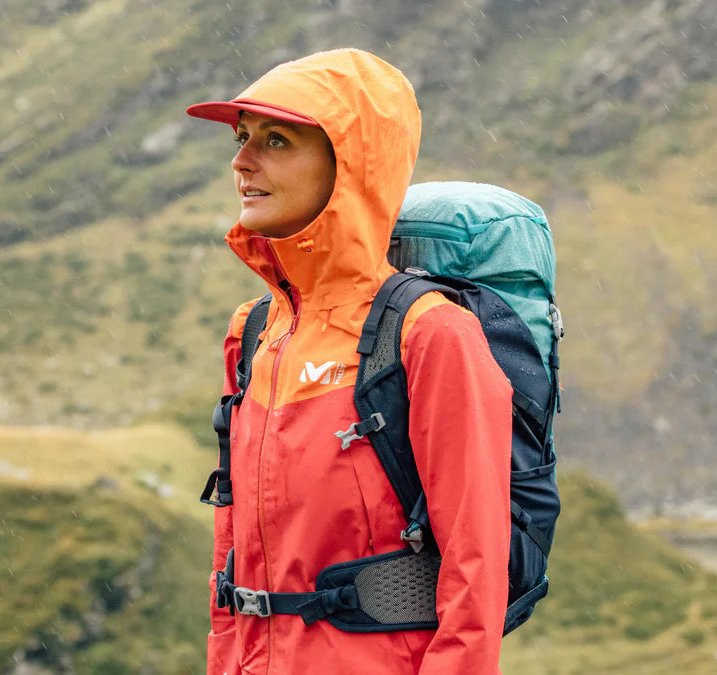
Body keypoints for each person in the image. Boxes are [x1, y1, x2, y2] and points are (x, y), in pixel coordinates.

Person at [186, 48, 514, 675]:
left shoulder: (429, 333)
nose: (241, 161)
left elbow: (475, 566)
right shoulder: (253, 331)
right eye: (242, 137)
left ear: (351, 167)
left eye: (276, 141)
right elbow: (231, 561)